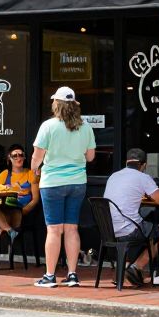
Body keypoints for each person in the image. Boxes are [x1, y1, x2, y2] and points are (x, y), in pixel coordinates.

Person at [30, 86, 95, 288]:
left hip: (53, 183)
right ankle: (73, 274)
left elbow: (37, 157)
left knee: (54, 230)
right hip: (77, 182)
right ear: (74, 104)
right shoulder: (85, 127)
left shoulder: (48, 126)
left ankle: (50, 276)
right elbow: (90, 157)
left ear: (56, 104)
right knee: (71, 228)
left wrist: (35, 170)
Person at [103, 147, 159, 287]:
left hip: (108, 230)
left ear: (126, 162)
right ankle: (137, 267)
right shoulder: (143, 177)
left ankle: (124, 272)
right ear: (144, 165)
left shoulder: (114, 176)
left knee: (139, 226)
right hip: (128, 230)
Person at [0, 143, 41, 243]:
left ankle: (6, 229)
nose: (18, 158)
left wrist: (23, 211)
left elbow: (35, 199)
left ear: (24, 157)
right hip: (7, 207)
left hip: (22, 211)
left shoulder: (30, 173)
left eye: (21, 155)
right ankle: (10, 231)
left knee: (6, 220)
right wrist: (7, 187)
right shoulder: (5, 174)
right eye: (15, 156)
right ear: (9, 158)